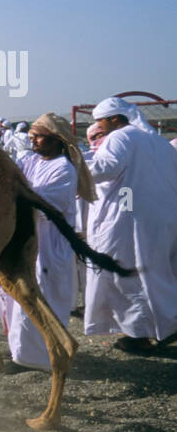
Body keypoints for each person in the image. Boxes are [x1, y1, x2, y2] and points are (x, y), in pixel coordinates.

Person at [0, 113, 93, 370]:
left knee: (39, 297)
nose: (34, 141)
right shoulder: (30, 160)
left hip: (49, 243)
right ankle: (18, 350)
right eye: (32, 137)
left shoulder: (64, 169)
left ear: (57, 140)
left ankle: (34, 358)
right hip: (26, 240)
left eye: (39, 137)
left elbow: (41, 202)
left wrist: (12, 192)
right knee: (13, 295)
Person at [83, 97, 177, 353]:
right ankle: (166, 326)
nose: (99, 127)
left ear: (115, 119)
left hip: (129, 222)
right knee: (158, 273)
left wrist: (73, 165)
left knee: (126, 276)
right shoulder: (158, 140)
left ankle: (139, 336)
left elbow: (106, 168)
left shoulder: (122, 136)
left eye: (100, 121)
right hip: (162, 220)